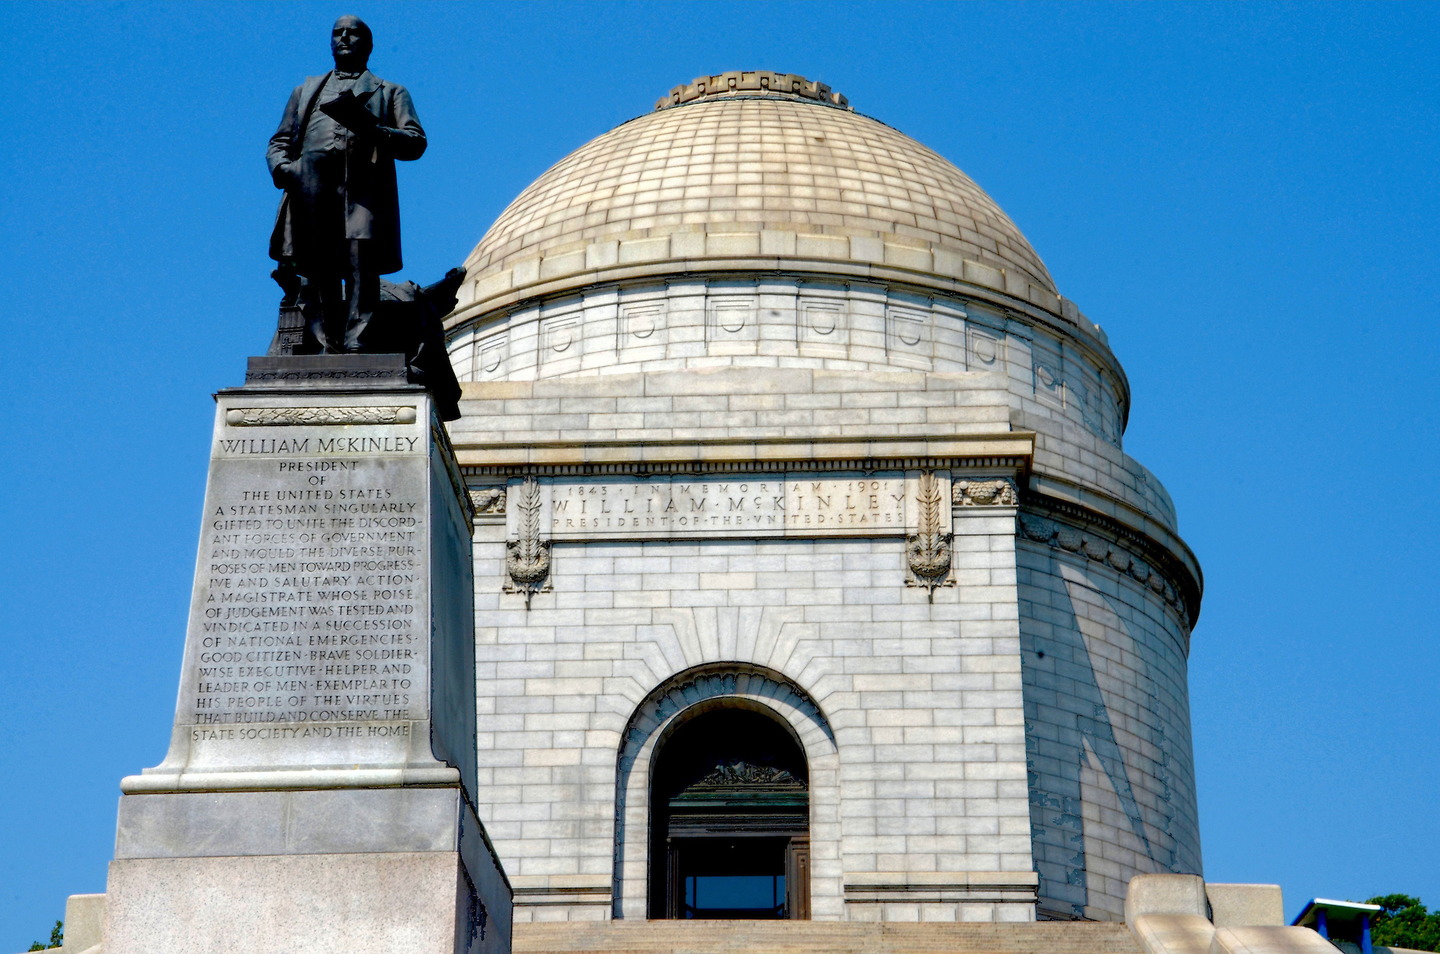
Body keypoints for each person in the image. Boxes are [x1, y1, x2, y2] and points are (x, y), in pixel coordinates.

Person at [267, 16, 426, 353]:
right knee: (317, 263)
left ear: (367, 45)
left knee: (360, 261)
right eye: (337, 33)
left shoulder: (390, 91)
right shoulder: (305, 90)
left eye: (352, 34)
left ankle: (358, 339)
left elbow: (415, 142)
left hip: (363, 188)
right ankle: (327, 340)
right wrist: (286, 169)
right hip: (310, 183)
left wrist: (374, 131)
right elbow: (280, 140)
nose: (343, 38)